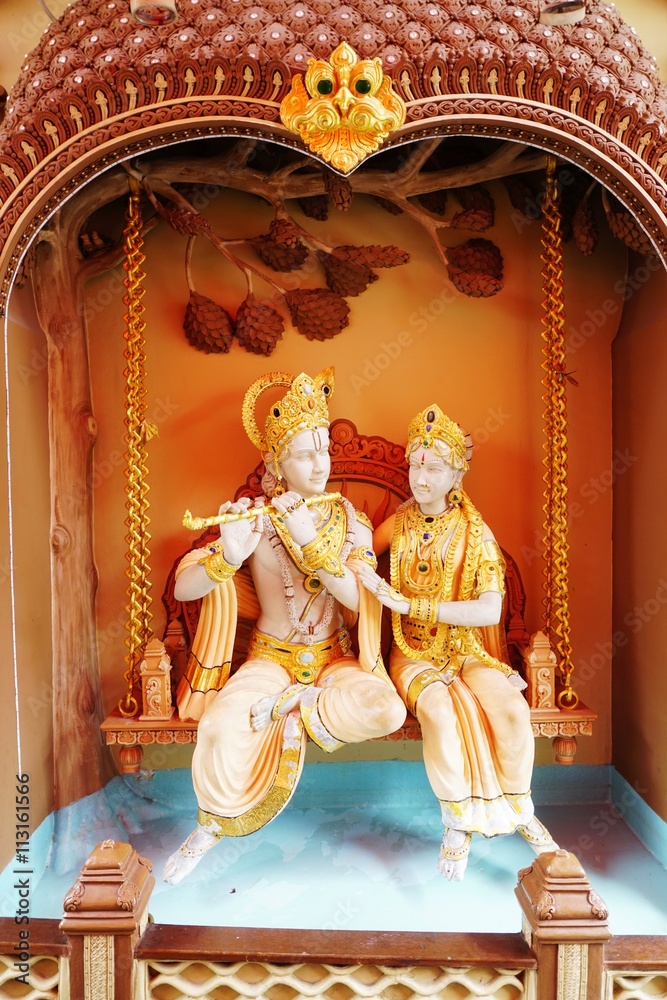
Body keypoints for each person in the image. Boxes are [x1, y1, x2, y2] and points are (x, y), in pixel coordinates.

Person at [163, 367, 406, 884]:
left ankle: (300, 707)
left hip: (334, 660)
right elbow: (184, 587)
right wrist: (227, 557)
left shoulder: (352, 521)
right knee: (218, 726)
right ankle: (210, 825)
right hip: (270, 660)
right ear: (277, 461)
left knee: (386, 708)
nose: (320, 463)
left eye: (323, 449)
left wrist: (312, 542)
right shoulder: (255, 518)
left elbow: (362, 603)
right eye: (304, 453)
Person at [353, 404, 557, 881]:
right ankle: (456, 821)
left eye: (434, 467)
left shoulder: (474, 531)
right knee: (440, 712)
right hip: (412, 652)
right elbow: (364, 550)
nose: (421, 476)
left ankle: (521, 809)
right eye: (416, 464)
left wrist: (409, 605)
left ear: (456, 476)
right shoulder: (401, 522)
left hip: (465, 647)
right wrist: (360, 565)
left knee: (509, 706)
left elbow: (488, 610)